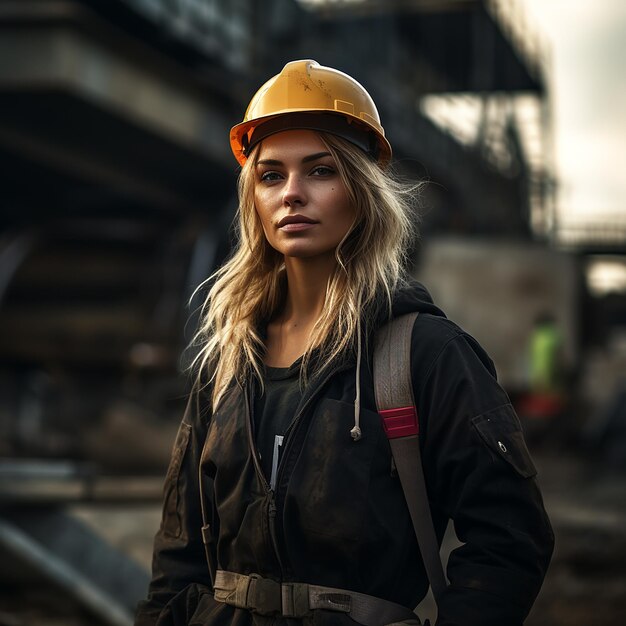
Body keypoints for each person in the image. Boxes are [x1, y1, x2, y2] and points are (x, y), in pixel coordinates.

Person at [135, 60, 554, 626]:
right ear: (252, 200)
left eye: (321, 171)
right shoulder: (229, 362)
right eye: (271, 175)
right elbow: (178, 557)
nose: (293, 195)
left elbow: (509, 542)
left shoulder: (424, 355)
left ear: (360, 190)